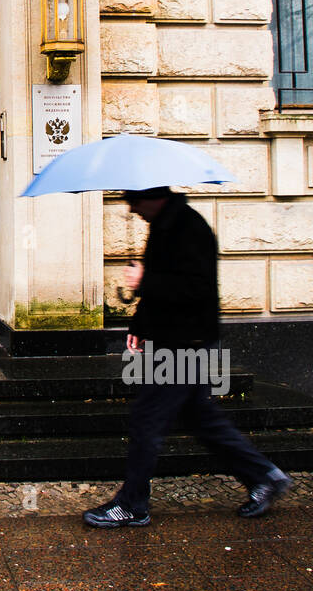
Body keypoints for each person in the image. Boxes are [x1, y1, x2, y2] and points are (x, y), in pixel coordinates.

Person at [83, 186, 292, 529]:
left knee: (147, 420)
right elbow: (163, 291)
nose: (132, 209)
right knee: (201, 419)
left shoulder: (188, 228)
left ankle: (132, 504)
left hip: (184, 344)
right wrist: (139, 324)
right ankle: (265, 477)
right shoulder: (166, 225)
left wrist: (145, 279)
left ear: (154, 197)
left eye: (135, 200)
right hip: (175, 339)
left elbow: (195, 290)